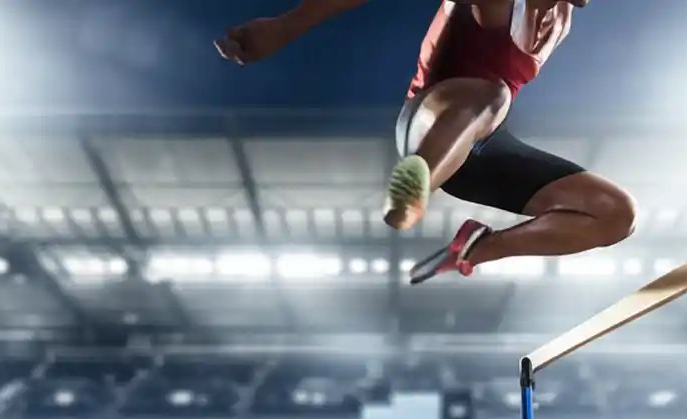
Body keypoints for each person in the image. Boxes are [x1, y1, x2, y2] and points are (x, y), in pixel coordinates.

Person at [216, 0, 636, 285]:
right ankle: (415, 184)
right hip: (430, 121)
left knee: (616, 214)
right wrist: (285, 26)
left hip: (484, 149)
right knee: (493, 94)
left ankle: (478, 248)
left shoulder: (562, 16)